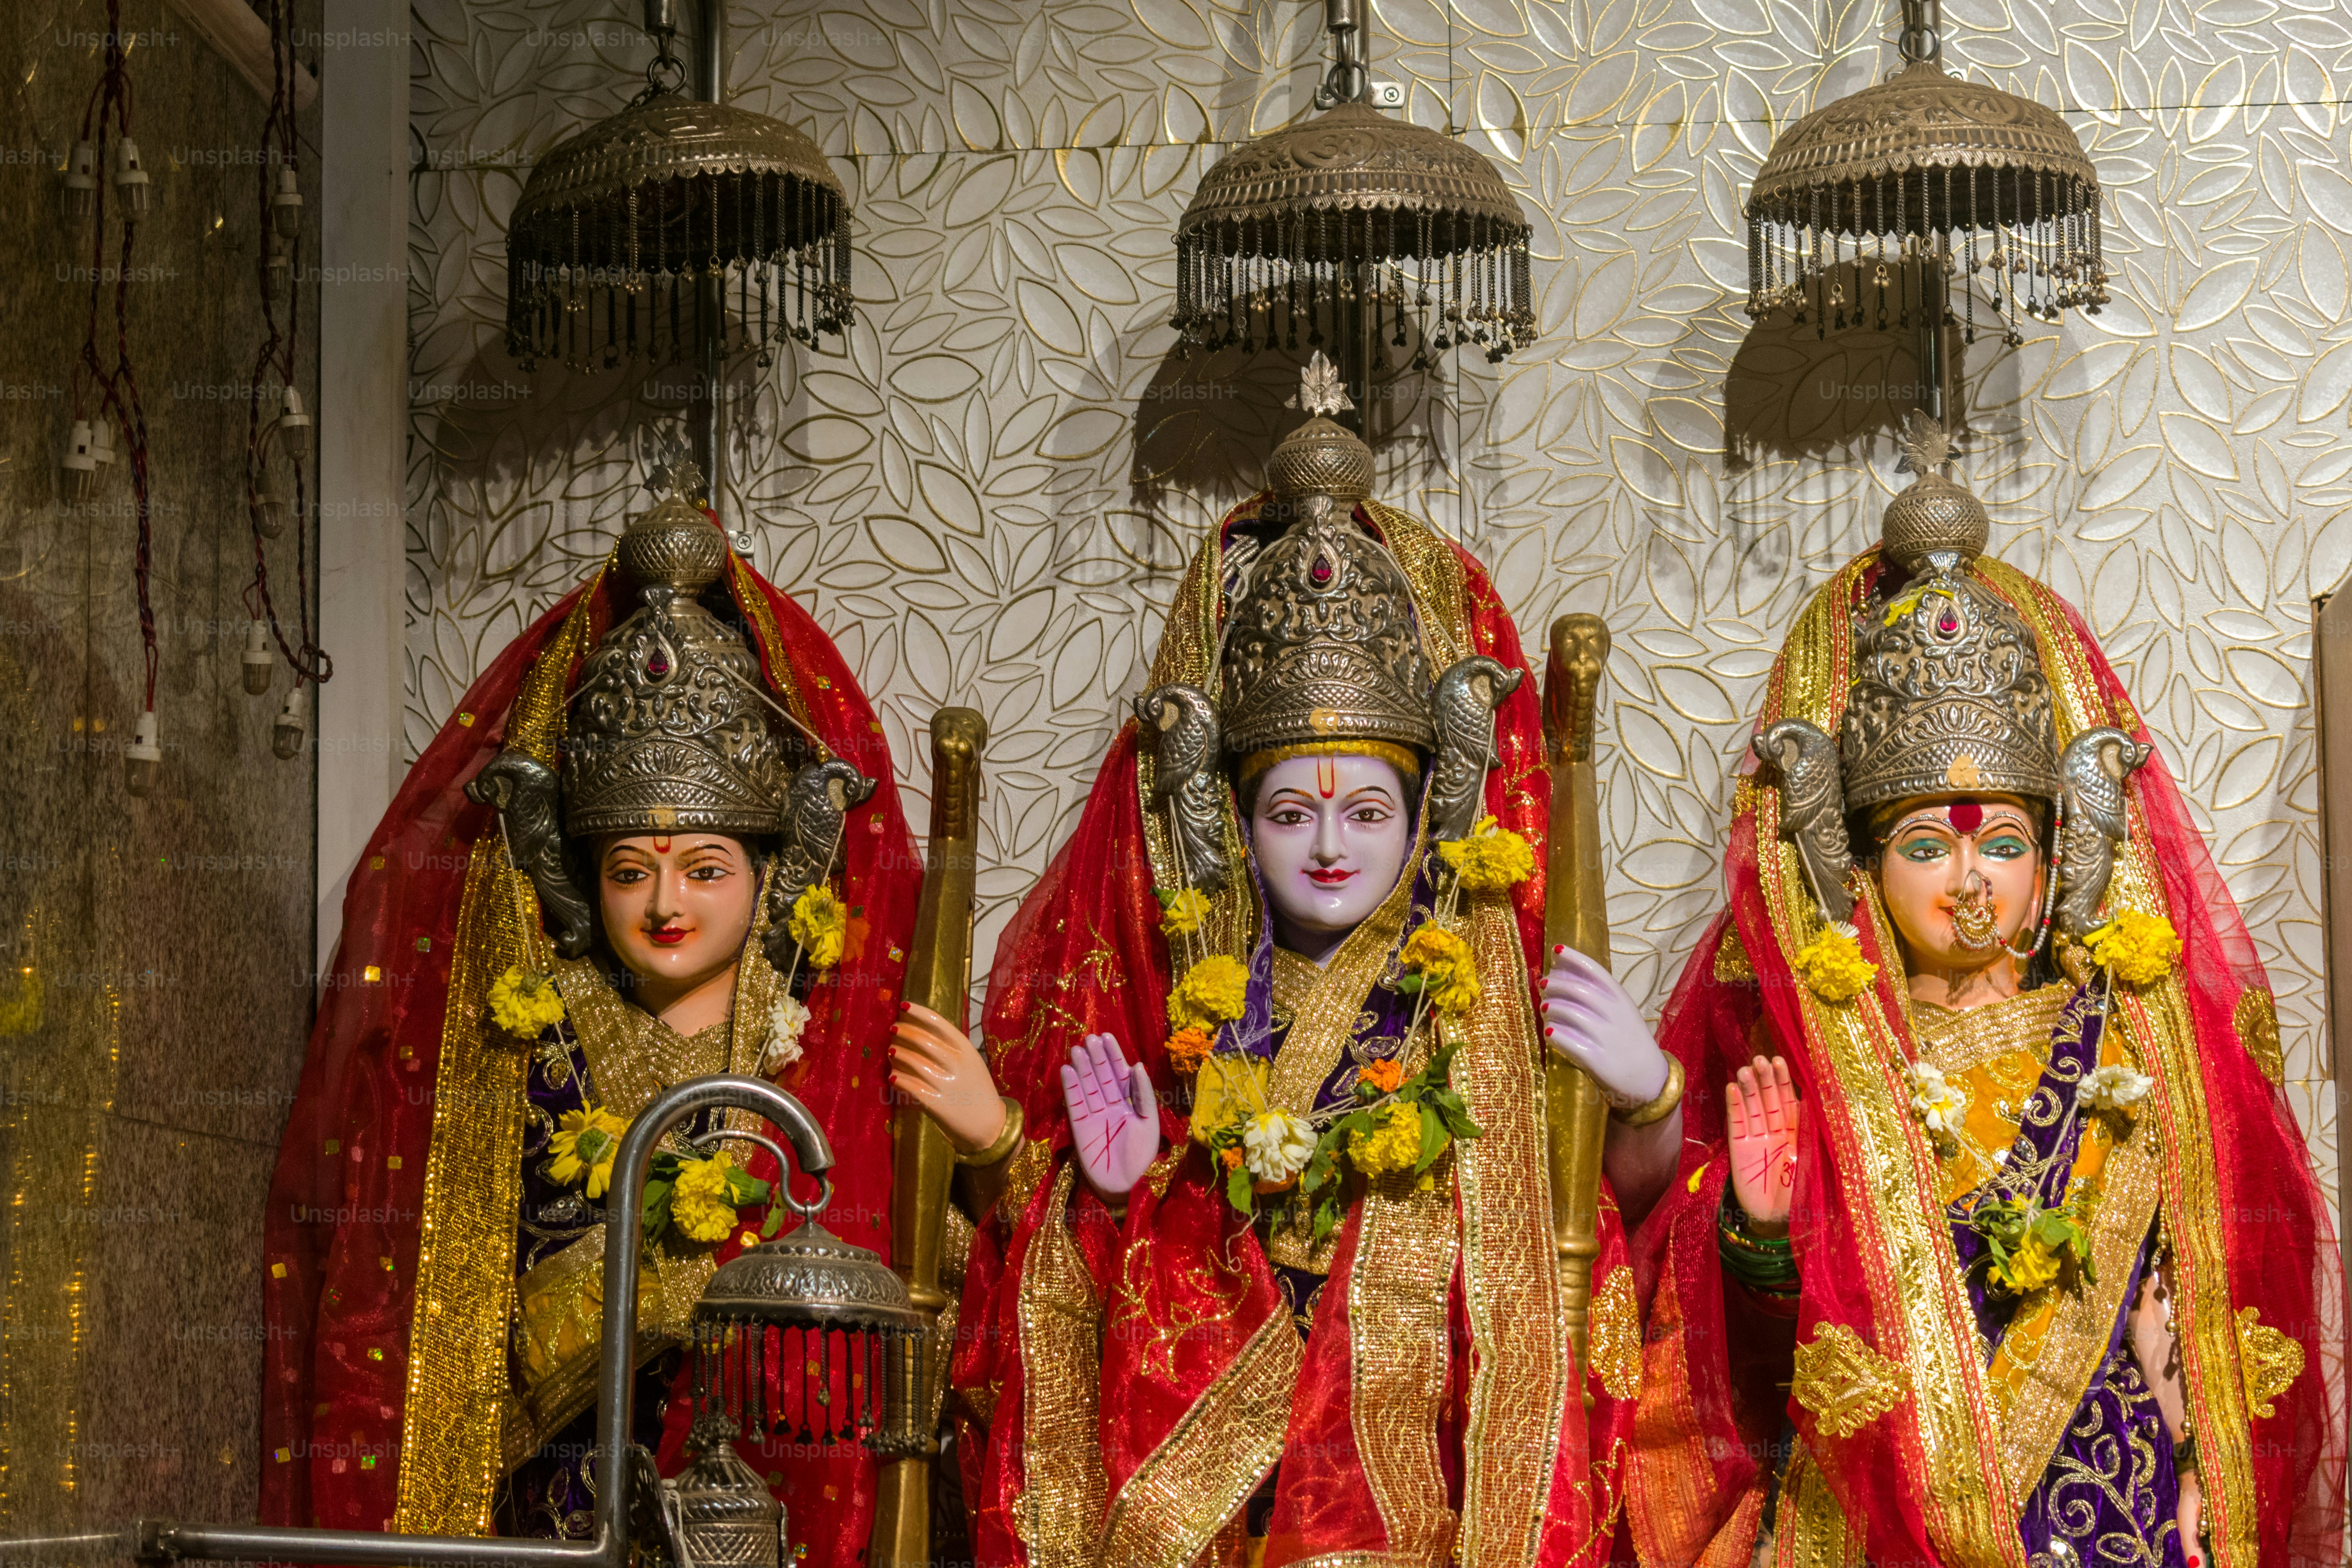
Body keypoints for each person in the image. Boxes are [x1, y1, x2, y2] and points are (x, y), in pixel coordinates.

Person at [882, 356, 1676, 1568]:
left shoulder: (1471, 1001)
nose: (1325, 848)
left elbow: (1581, 1246)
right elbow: (1079, 1283)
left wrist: (1647, 1096)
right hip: (1206, 1503)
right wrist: (1101, 1187)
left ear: (1428, 822)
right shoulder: (1186, 988)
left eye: (1367, 814)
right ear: (1230, 824)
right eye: (1287, 815)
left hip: (1416, 1502)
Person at [1600, 414, 2345, 1565]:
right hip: (1888, 1514)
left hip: (2116, 1508)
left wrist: (2205, 1482)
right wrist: (1756, 1226)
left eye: (2000, 842)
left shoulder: (2131, 1049)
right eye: (1925, 849)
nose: (1967, 886)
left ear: (2058, 857)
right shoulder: (1834, 1056)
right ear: (1858, 868)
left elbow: (2177, 1301)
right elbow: (1755, 1360)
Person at [258, 473, 921, 1568]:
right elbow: (448, 1290)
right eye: (630, 871)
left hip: (777, 1499)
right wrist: (641, 1298)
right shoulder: (534, 1033)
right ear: (578, 880)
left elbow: (910, 1272)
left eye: (705, 869)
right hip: (565, 1494)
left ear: (777, 871)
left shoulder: (825, 1038)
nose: (667, 906)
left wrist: (995, 1149)